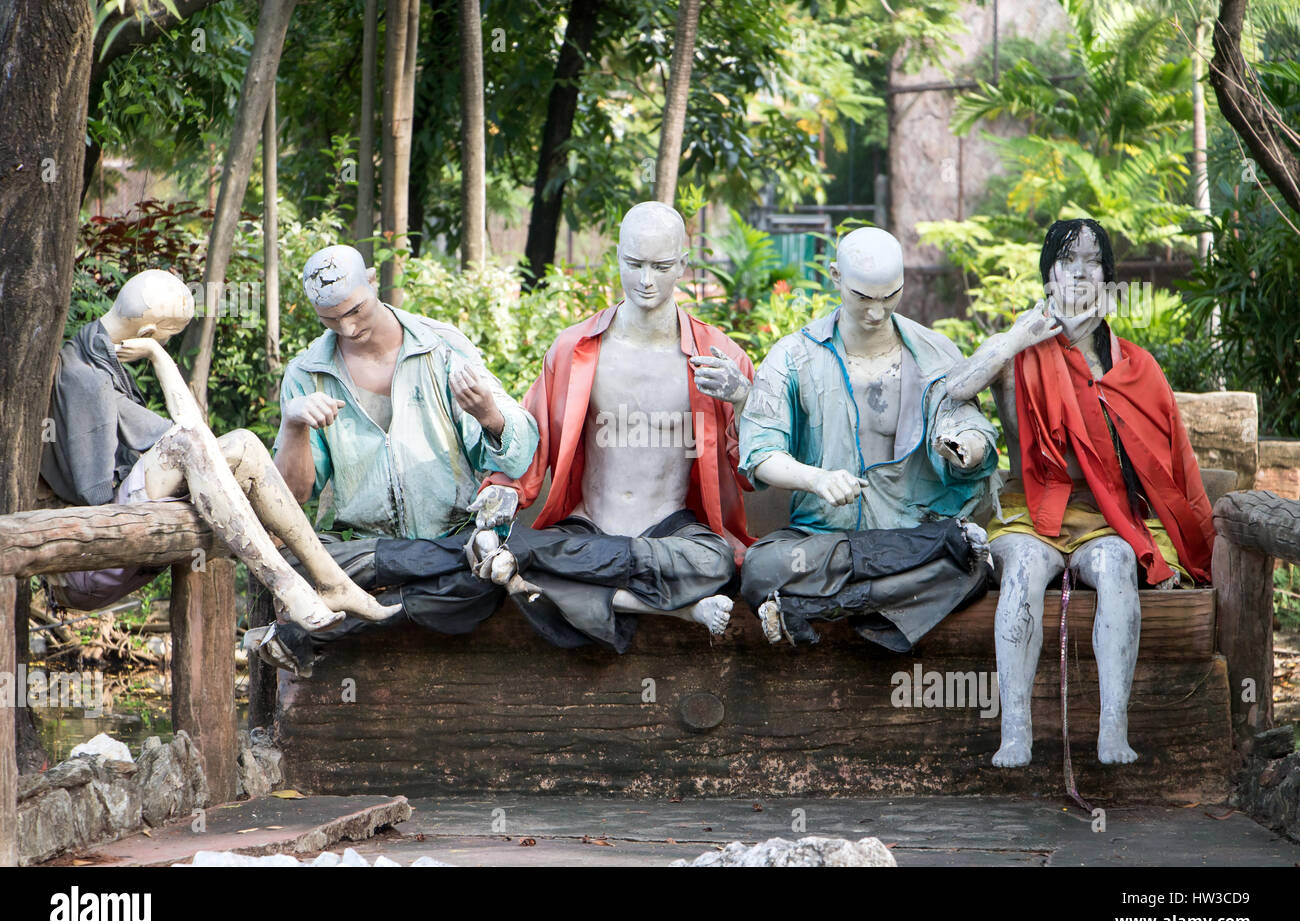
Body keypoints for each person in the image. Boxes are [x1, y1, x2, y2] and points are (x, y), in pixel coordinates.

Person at [944, 218, 1215, 766]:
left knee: (1118, 565)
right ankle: (1015, 733)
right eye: (1067, 262)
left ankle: (1113, 728)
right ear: (1048, 277)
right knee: (1020, 571)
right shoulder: (1018, 353)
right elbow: (956, 386)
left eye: (1093, 262)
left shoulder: (1133, 364)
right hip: (1029, 514)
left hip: (1102, 518)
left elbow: (1165, 461)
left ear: (1109, 279)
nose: (1080, 273)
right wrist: (1018, 337)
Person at [40, 269, 400, 634]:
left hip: (125, 511)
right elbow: (104, 484)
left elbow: (196, 440)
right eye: (165, 340)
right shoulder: (87, 375)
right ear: (148, 334)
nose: (163, 346)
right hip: (92, 558)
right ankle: (287, 586)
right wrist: (158, 358)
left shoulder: (96, 357)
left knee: (244, 442)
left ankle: (330, 581)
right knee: (187, 443)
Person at [468, 202, 754, 653]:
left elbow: (751, 468)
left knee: (716, 560)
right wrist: (502, 488)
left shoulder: (718, 357)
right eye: (634, 264)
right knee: (511, 561)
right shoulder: (574, 349)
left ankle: (545, 563)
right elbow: (533, 437)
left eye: (661, 267)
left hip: (669, 529)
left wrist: (743, 399)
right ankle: (675, 608)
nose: (645, 280)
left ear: (682, 264)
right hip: (590, 525)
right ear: (617, 257)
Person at [256, 244, 539, 675]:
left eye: (354, 310)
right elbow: (292, 496)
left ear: (373, 280)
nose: (347, 329)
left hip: (450, 533)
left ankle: (333, 623)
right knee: (293, 563)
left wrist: (490, 415)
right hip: (366, 549)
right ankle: (444, 575)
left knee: (482, 580)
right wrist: (293, 425)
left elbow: (519, 455)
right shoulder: (305, 373)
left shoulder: (442, 348)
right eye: (330, 320)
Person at [738, 227, 999, 650]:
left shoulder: (936, 354)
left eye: (889, 296)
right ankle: (878, 607)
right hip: (828, 542)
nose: (877, 313)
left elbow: (967, 421)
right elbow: (759, 452)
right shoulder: (794, 355)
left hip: (913, 536)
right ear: (835, 276)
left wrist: (967, 447)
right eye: (863, 297)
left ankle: (817, 607)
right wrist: (816, 479)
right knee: (760, 567)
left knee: (972, 567)